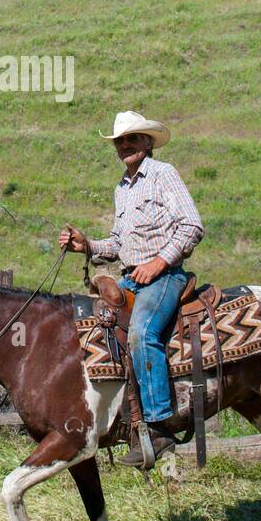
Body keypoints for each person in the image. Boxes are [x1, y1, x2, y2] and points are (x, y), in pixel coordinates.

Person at [60, 110, 204, 466]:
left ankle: (158, 425)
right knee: (90, 327)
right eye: (120, 141)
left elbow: (191, 225)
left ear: (147, 142)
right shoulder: (121, 189)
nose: (125, 145)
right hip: (130, 277)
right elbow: (118, 243)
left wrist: (157, 263)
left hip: (164, 276)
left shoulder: (162, 175)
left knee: (141, 334)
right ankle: (113, 418)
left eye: (132, 138)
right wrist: (88, 246)